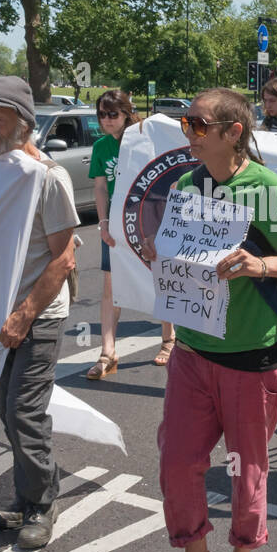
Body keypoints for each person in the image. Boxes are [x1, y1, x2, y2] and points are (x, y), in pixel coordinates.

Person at [139, 88, 277, 552]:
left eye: (197, 124)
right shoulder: (188, 185)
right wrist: (162, 255)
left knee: (245, 468)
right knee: (177, 461)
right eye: (185, 123)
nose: (187, 133)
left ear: (232, 132)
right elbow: (181, 257)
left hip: (250, 355)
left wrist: (260, 265)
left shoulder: (268, 189)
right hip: (193, 351)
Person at [0, 76, 80, 549]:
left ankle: (42, 505)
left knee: (24, 410)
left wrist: (24, 314)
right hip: (2, 314)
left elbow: (64, 259)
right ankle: (26, 499)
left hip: (38, 315)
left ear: (23, 125)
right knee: (7, 410)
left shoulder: (49, 178)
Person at [86, 89, 176, 378]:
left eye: (113, 114)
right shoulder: (101, 146)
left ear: (127, 113)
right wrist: (102, 222)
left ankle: (168, 339)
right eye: (102, 114)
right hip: (116, 219)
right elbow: (100, 187)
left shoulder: (143, 138)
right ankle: (107, 352)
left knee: (160, 277)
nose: (107, 120)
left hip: (150, 215)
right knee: (111, 285)